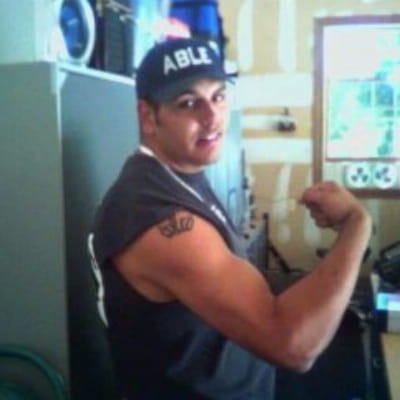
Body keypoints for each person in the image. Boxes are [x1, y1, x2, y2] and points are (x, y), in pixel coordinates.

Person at [88, 37, 372, 400]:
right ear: (148, 117)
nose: (212, 117)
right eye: (188, 103)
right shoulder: (158, 219)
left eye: (218, 96)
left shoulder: (177, 176)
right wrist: (356, 225)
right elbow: (293, 345)